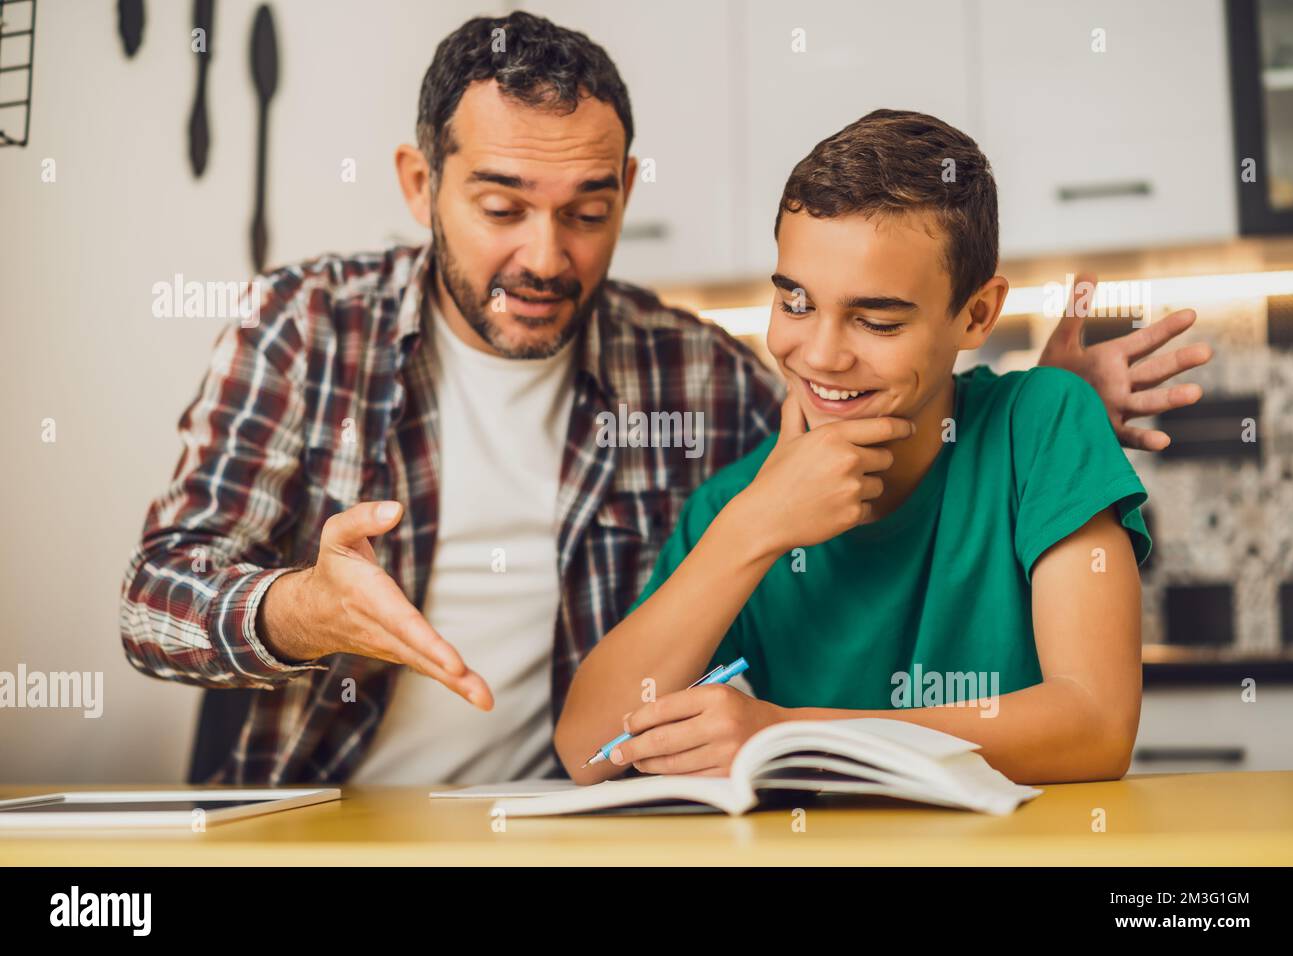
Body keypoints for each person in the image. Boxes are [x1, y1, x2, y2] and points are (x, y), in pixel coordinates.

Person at [121, 14, 1209, 786]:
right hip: (323, 807)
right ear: (421, 185)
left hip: (566, 825)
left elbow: (906, 414)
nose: (545, 254)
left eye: (588, 208)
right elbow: (152, 597)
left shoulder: (695, 372)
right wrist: (295, 609)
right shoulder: (306, 325)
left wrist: (1037, 406)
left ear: (628, 191)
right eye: (501, 205)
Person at [555, 109, 1164, 786]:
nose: (818, 354)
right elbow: (587, 750)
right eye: (794, 304)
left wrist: (792, 736)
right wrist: (754, 529)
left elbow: (1096, 726)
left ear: (977, 314)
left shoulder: (1043, 422)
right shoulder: (728, 509)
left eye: (875, 321)